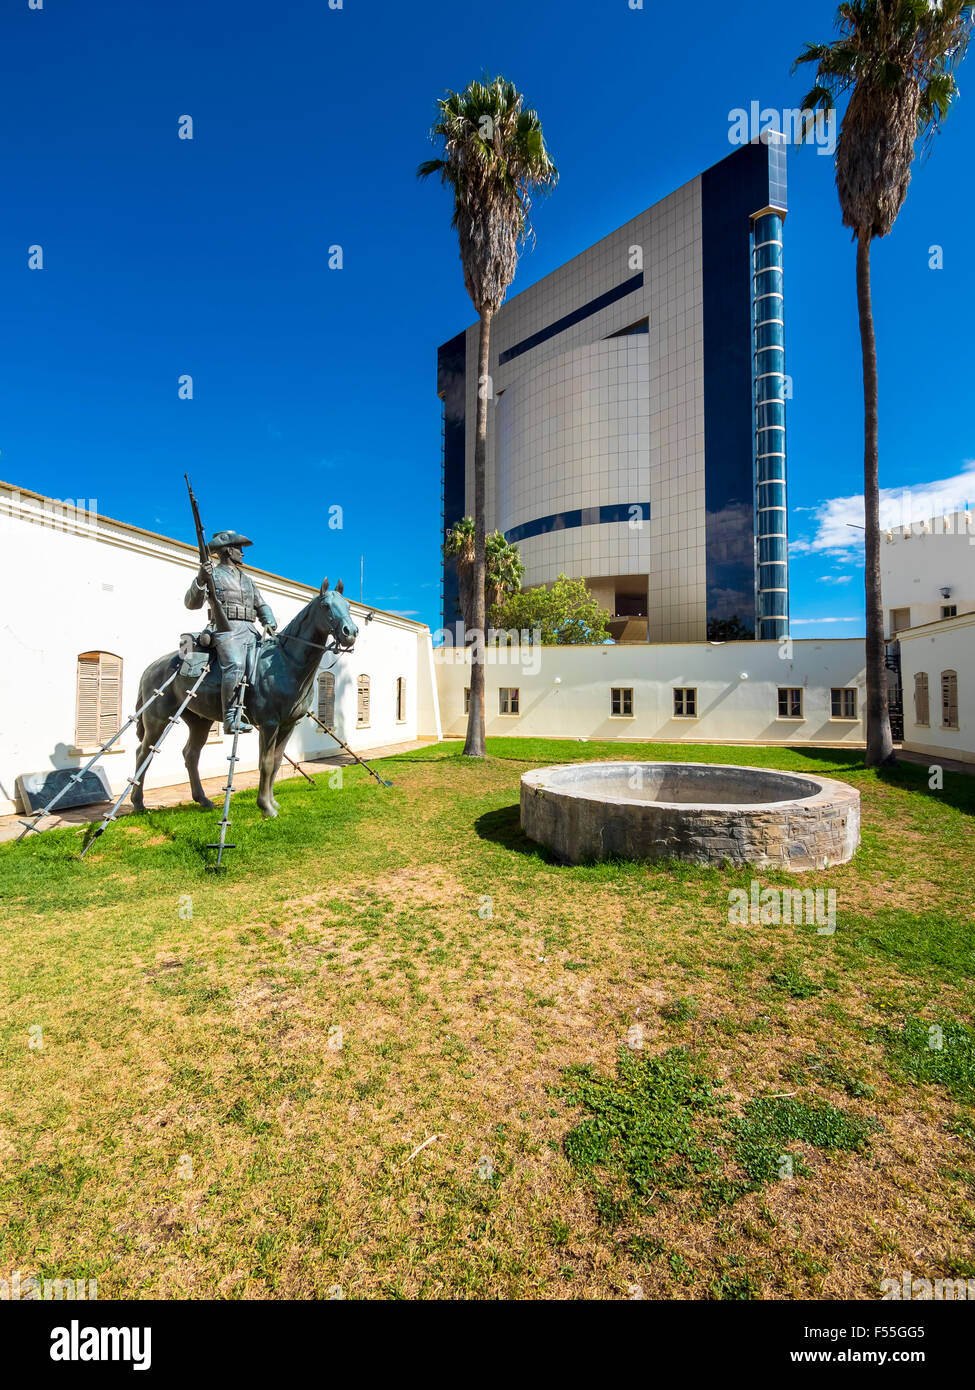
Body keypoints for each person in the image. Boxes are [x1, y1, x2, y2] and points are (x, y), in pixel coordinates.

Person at [184, 530, 277, 733]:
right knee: (234, 664)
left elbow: (261, 604)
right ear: (227, 550)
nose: (242, 553)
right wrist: (201, 579)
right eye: (239, 549)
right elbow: (191, 603)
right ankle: (230, 717)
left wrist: (269, 620)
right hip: (225, 629)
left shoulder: (248, 580)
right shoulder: (212, 574)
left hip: (250, 629)